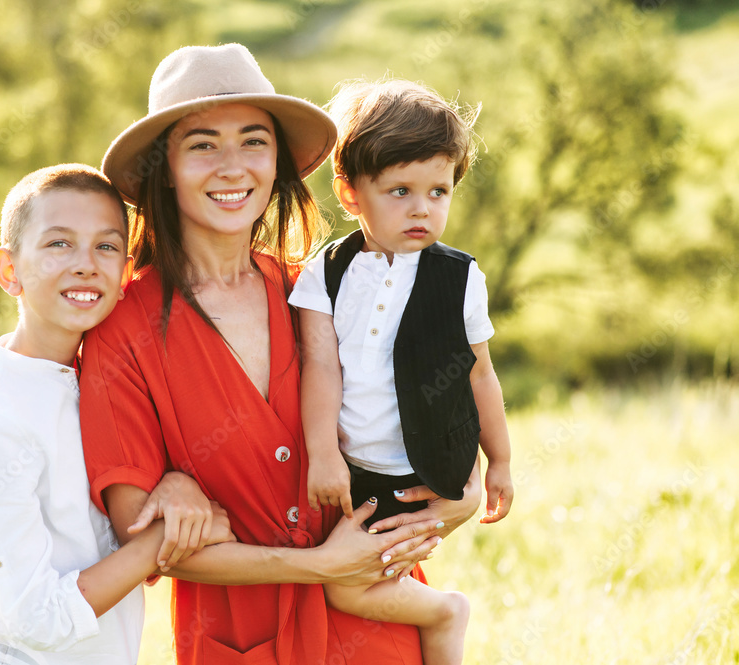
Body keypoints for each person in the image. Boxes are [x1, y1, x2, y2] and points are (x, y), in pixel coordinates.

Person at [82, 44, 482, 665]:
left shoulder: (322, 293)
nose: (233, 167)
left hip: (376, 631)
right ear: (165, 168)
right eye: (202, 145)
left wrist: (465, 491)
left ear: (277, 162)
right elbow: (145, 538)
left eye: (253, 141)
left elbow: (440, 397)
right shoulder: (120, 331)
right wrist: (316, 566)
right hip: (239, 642)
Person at [0, 163, 233, 665]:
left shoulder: (103, 387)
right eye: (58, 244)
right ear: (10, 271)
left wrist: (176, 485)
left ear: (124, 277)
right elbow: (36, 619)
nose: (86, 264)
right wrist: (160, 538)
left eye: (106, 246)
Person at [288, 79, 515, 664]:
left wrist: (502, 462)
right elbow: (319, 367)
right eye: (400, 190)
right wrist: (322, 451)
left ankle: (444, 615)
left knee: (345, 586)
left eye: (439, 190)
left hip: (429, 468)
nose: (422, 208)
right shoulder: (326, 275)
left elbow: (480, 374)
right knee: (352, 578)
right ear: (350, 192)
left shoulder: (460, 278)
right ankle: (434, 613)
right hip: (358, 472)